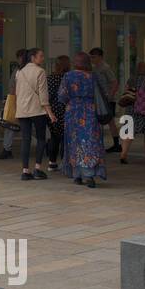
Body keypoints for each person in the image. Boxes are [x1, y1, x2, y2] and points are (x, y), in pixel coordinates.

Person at [58, 52, 107, 188]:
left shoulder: (68, 76)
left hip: (72, 112)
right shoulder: (93, 76)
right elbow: (104, 92)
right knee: (90, 141)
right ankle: (89, 174)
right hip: (90, 112)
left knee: (74, 142)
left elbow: (62, 96)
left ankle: (77, 174)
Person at [14, 48, 55, 180]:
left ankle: (25, 171)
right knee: (41, 139)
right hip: (37, 110)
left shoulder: (19, 72)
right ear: (33, 57)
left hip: (22, 110)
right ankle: (37, 168)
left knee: (26, 140)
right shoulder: (40, 71)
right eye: (41, 56)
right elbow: (43, 95)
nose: (43, 58)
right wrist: (50, 113)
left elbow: (17, 92)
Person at [89, 47, 120, 153]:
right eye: (91, 57)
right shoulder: (94, 68)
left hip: (107, 99)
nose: (92, 59)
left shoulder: (105, 68)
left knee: (110, 121)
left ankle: (116, 144)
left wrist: (110, 95)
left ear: (100, 57)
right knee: (100, 120)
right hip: (100, 99)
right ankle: (99, 143)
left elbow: (114, 82)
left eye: (94, 57)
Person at [0, 48, 27, 159]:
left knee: (12, 125)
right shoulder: (18, 70)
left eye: (20, 57)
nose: (19, 60)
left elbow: (12, 87)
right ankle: (7, 149)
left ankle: (7, 149)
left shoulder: (21, 71)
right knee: (10, 125)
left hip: (21, 101)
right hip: (18, 101)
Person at [45, 54, 70, 171]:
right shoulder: (69, 78)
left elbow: (47, 96)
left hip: (53, 111)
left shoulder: (50, 78)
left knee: (54, 137)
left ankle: (52, 163)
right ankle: (65, 163)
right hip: (66, 110)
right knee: (66, 137)